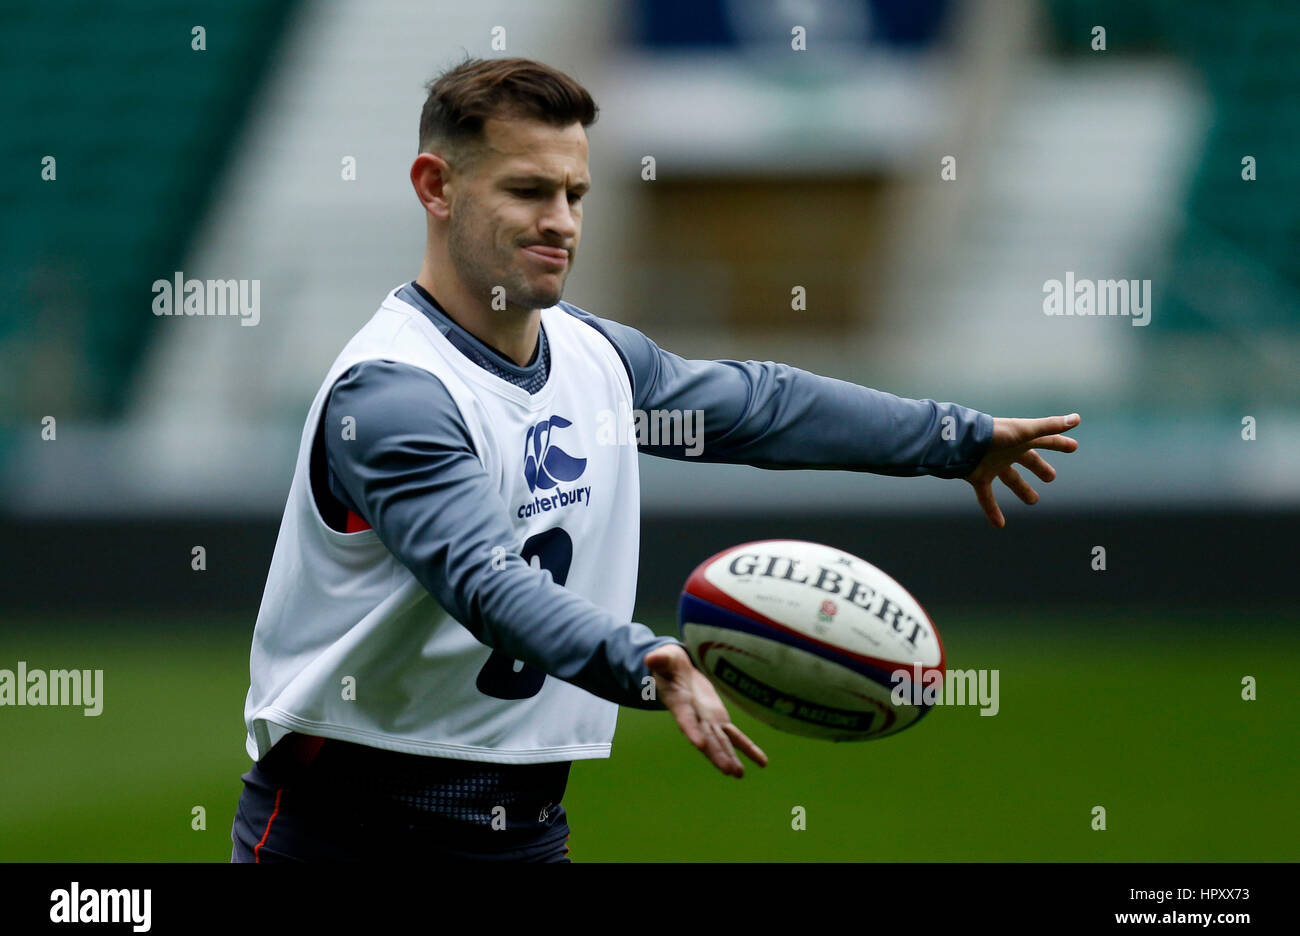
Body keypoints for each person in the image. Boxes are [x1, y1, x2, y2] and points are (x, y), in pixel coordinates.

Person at [231, 56, 1080, 863]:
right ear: (436, 187)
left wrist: (954, 438)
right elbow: (484, 580)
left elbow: (760, 409)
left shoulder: (594, 358)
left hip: (522, 827)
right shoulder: (392, 396)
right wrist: (639, 659)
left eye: (574, 193)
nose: (560, 221)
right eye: (527, 191)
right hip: (348, 830)